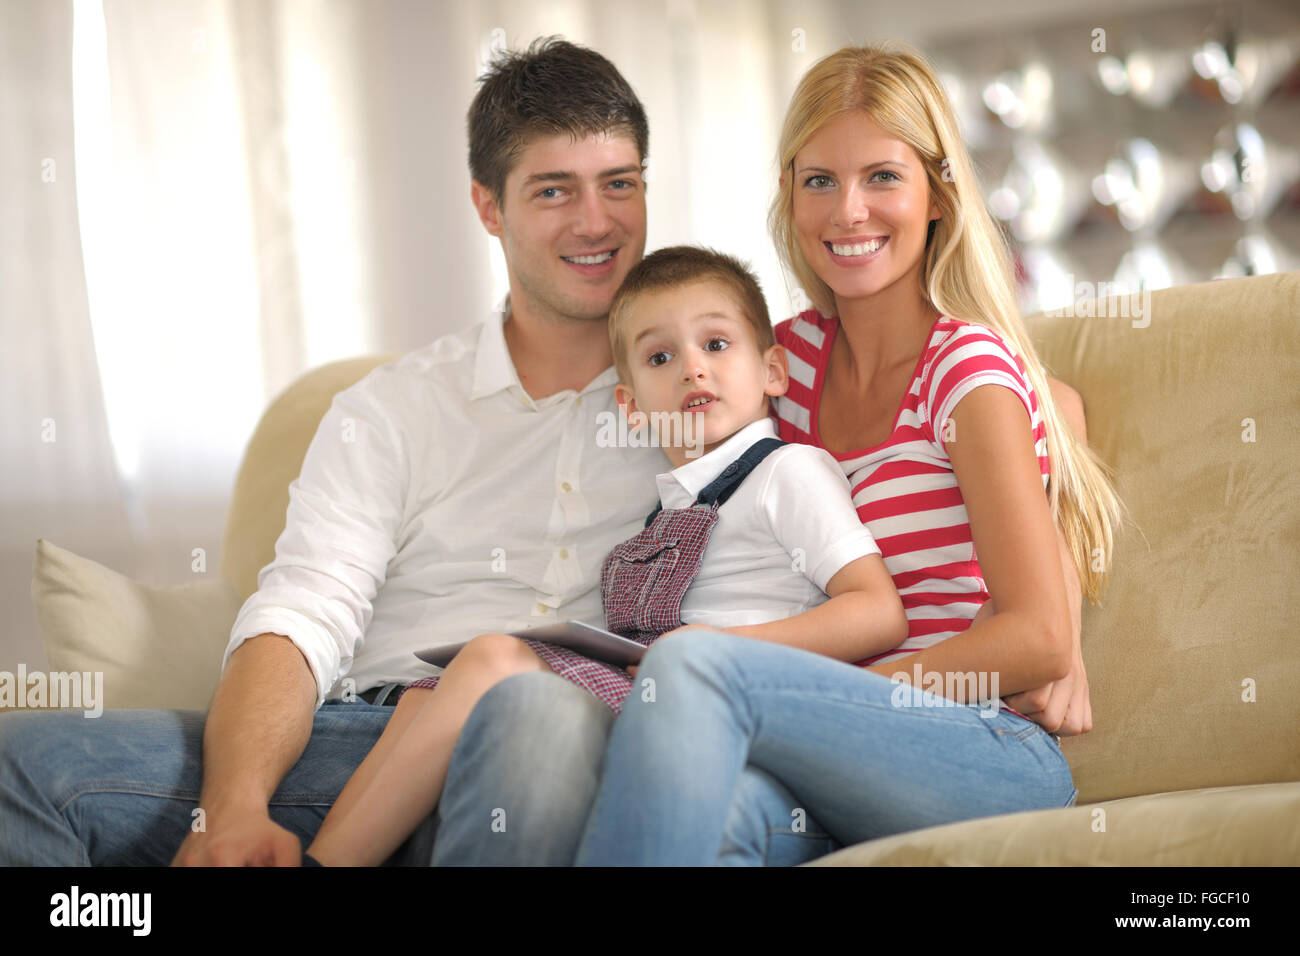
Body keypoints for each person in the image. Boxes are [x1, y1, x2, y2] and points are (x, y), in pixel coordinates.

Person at [0, 37, 1089, 869]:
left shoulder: (727, 382)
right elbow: (300, 610)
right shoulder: (400, 410)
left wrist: (1056, 621)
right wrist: (233, 803)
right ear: (488, 205)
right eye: (553, 190)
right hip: (362, 741)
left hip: (567, 743)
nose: (596, 220)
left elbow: (1026, 398)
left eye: (619, 183)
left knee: (530, 706)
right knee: (28, 761)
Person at [573, 41, 1124, 865]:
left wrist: (842, 694)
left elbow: (1038, 639)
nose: (848, 213)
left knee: (694, 669)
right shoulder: (776, 366)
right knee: (712, 816)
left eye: (883, 178)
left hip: (980, 746)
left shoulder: (964, 370)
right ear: (789, 195)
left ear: (938, 194)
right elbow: (1061, 404)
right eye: (819, 181)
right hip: (830, 755)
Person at [300, 246, 908, 865]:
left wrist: (709, 654)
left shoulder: (788, 473)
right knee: (433, 688)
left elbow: (878, 612)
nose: (693, 370)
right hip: (654, 700)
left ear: (773, 370)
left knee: (489, 656)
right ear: (632, 409)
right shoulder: (669, 508)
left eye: (717, 345)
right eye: (661, 357)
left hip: (726, 715)